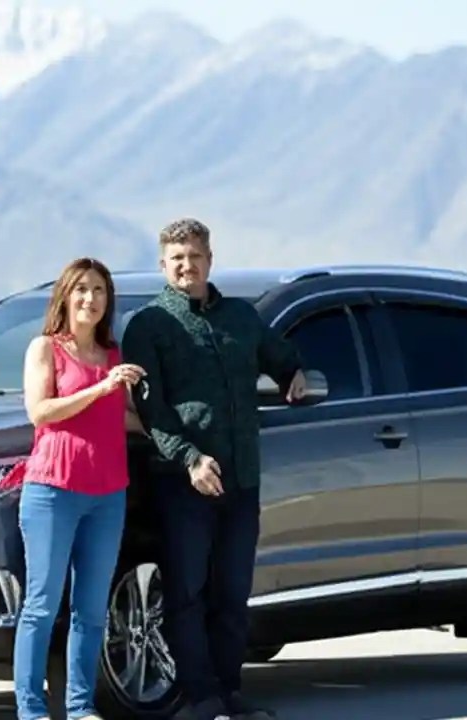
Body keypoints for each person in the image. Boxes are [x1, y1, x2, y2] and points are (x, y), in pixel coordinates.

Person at [121, 219, 305, 720]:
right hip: (183, 482)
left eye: (195, 255)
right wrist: (189, 459)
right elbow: (150, 410)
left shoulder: (241, 318)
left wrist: (292, 374)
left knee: (232, 592)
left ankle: (229, 692)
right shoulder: (149, 326)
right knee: (187, 593)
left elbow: (278, 355)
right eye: (177, 258)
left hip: (242, 479)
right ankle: (197, 697)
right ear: (163, 265)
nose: (187, 265)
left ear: (209, 259)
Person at [10, 257, 146, 720]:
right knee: (42, 605)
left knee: (91, 610)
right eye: (82, 289)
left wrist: (166, 425)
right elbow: (40, 412)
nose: (91, 299)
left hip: (108, 494)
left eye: (100, 291)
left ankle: (80, 706)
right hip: (53, 491)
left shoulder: (113, 356)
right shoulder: (45, 349)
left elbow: (121, 417)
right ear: (66, 296)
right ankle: (31, 710)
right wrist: (101, 388)